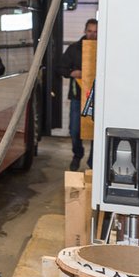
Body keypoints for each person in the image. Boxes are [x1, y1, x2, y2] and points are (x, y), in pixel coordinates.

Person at [58, 18, 97, 171]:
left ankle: (93, 161)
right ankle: (77, 154)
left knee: (96, 130)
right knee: (75, 130)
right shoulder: (74, 49)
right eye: (90, 31)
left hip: (97, 99)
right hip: (77, 97)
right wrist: (72, 72)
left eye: (95, 32)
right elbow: (60, 68)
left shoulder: (106, 47)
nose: (92, 35)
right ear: (84, 31)